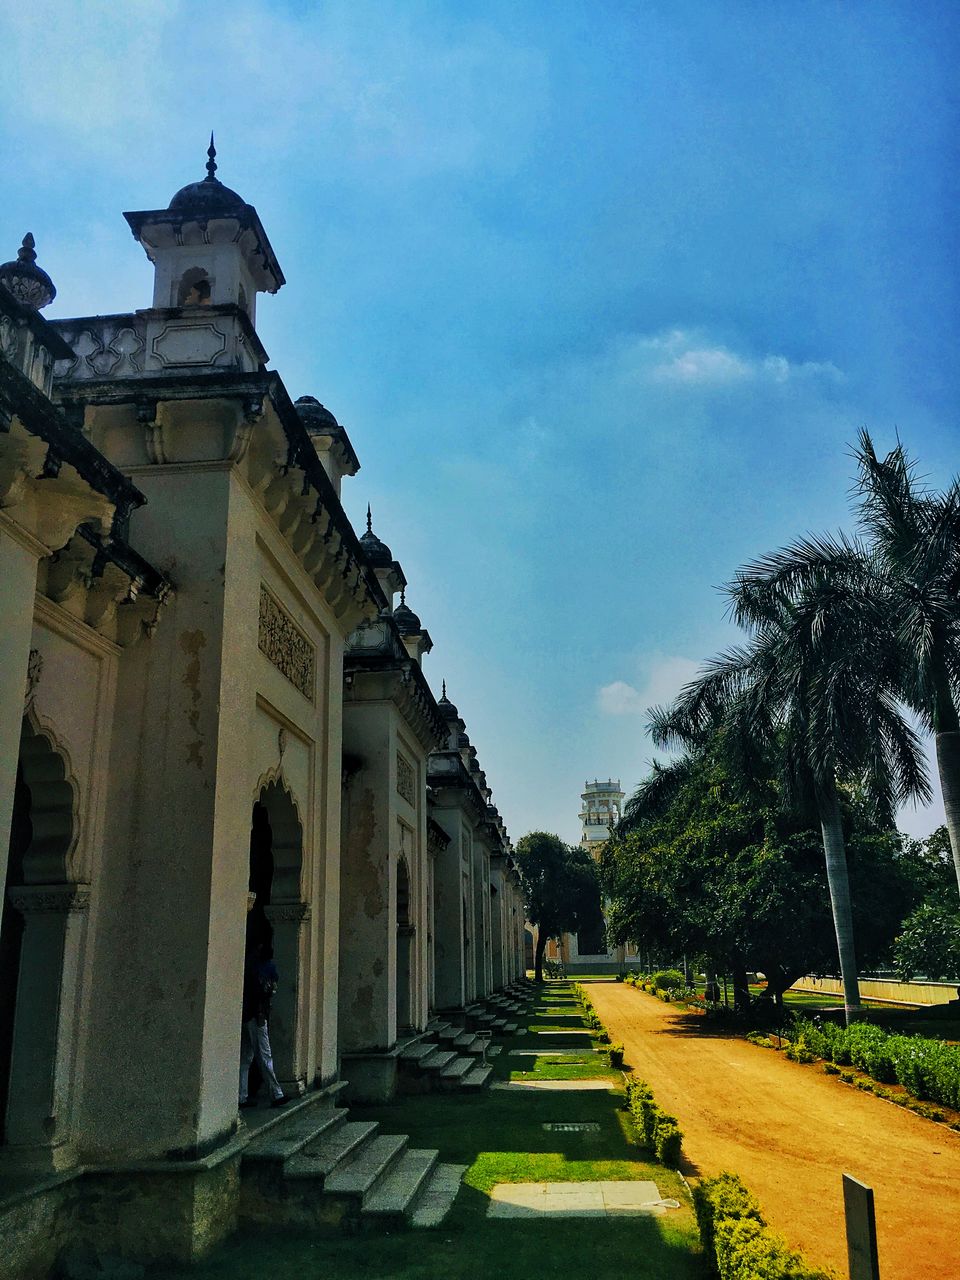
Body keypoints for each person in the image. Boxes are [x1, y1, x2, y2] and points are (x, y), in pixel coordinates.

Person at [238, 941, 288, 1109]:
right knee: (264, 1055)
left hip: (246, 1015)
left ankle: (241, 1096)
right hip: (257, 1016)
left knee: (245, 1057)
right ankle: (276, 1093)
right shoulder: (265, 968)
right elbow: (266, 992)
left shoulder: (248, 966)